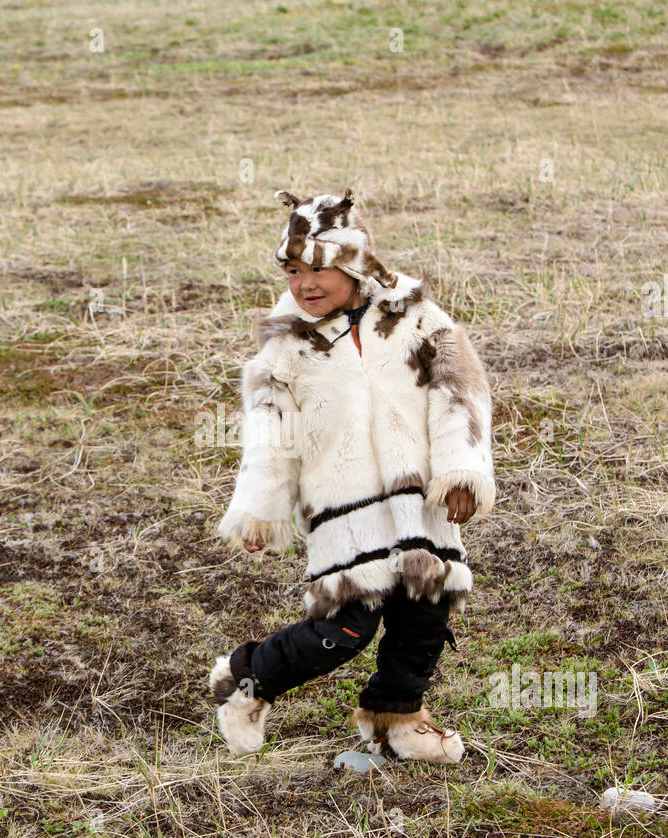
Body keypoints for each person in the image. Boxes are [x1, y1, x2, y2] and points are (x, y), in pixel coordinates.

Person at [209, 187, 497, 763]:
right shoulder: (284, 349)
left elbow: (459, 395)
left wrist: (461, 472)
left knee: (424, 612)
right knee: (341, 631)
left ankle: (398, 719)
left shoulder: (415, 317)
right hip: (344, 509)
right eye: (293, 271)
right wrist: (261, 510)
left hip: (418, 503)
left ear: (355, 264)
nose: (305, 284)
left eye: (319, 269)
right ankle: (245, 680)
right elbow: (270, 438)